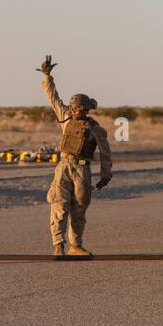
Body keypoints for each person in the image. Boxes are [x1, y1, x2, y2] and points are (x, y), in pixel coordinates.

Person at [38, 56, 113, 257]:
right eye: (74, 108)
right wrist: (47, 76)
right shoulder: (65, 118)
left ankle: (76, 246)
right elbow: (52, 97)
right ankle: (58, 245)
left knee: (79, 210)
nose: (75, 111)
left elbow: (105, 154)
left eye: (79, 108)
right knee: (59, 206)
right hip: (63, 168)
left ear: (87, 109)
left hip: (82, 170)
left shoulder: (96, 129)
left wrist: (106, 175)